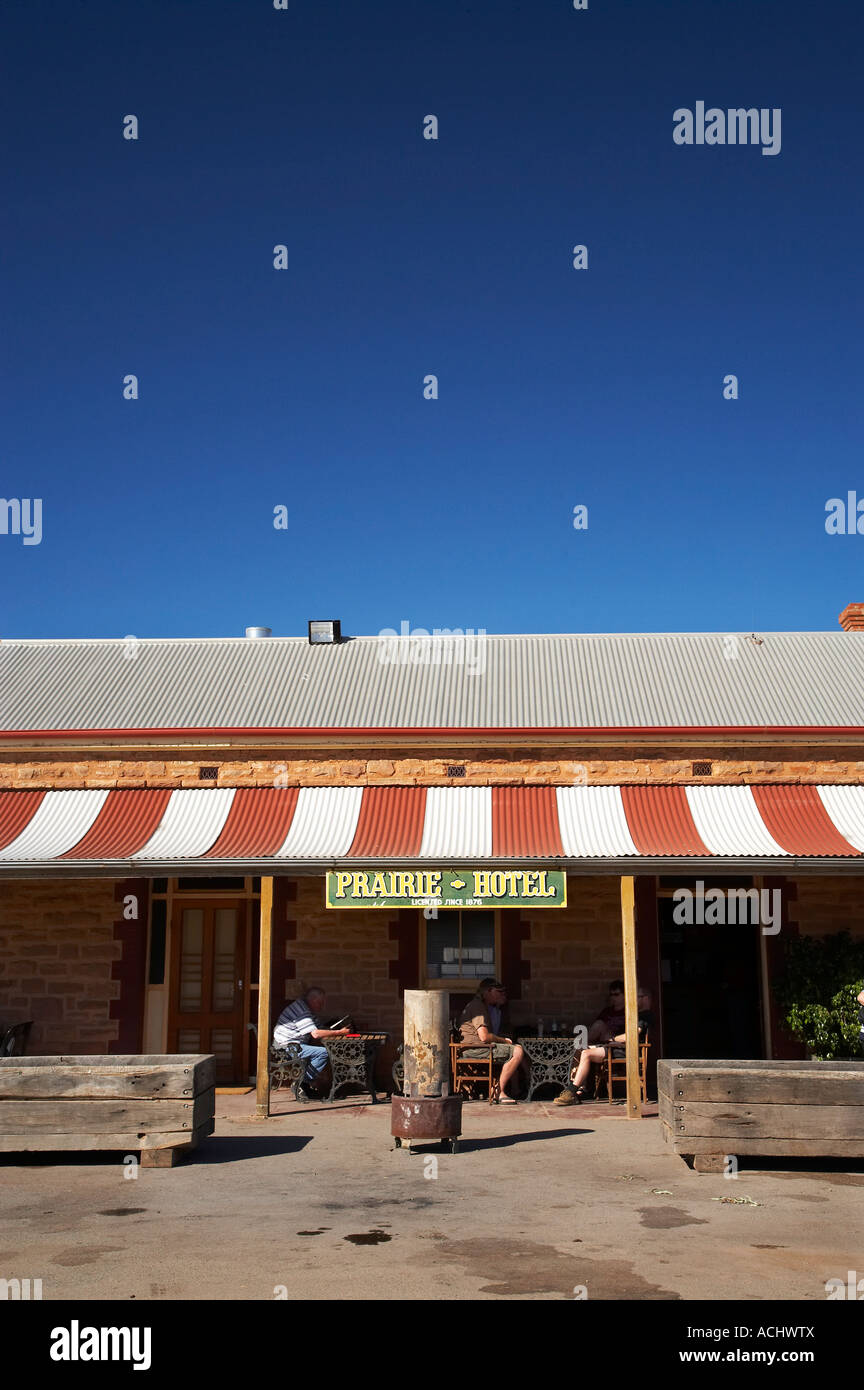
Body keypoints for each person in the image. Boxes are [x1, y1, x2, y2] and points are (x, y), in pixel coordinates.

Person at [554, 984, 653, 1105]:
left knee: (586, 1054)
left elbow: (633, 1035)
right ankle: (576, 1091)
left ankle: (572, 1091)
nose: (633, 999)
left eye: (637, 996)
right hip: (615, 1046)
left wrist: (612, 1038)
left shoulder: (645, 1015)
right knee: (581, 1049)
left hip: (623, 1049)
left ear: (646, 998)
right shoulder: (635, 1013)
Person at [272, 987, 350, 1098]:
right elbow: (316, 1034)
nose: (322, 1006)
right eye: (320, 1003)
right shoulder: (302, 1009)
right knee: (323, 1052)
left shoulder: (307, 1009)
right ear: (313, 1000)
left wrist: (333, 1027)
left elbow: (319, 1027)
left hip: (293, 1045)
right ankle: (301, 1083)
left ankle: (305, 1086)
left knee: (320, 1051)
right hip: (286, 1047)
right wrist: (339, 1032)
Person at [458, 978, 524, 1104]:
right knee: (517, 1051)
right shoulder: (478, 1007)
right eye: (498, 991)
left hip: (476, 1048)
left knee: (517, 1050)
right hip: (474, 1049)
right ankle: (499, 1091)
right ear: (488, 991)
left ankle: (507, 1089)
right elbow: (484, 1037)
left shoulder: (482, 1006)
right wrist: (504, 1041)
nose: (501, 995)